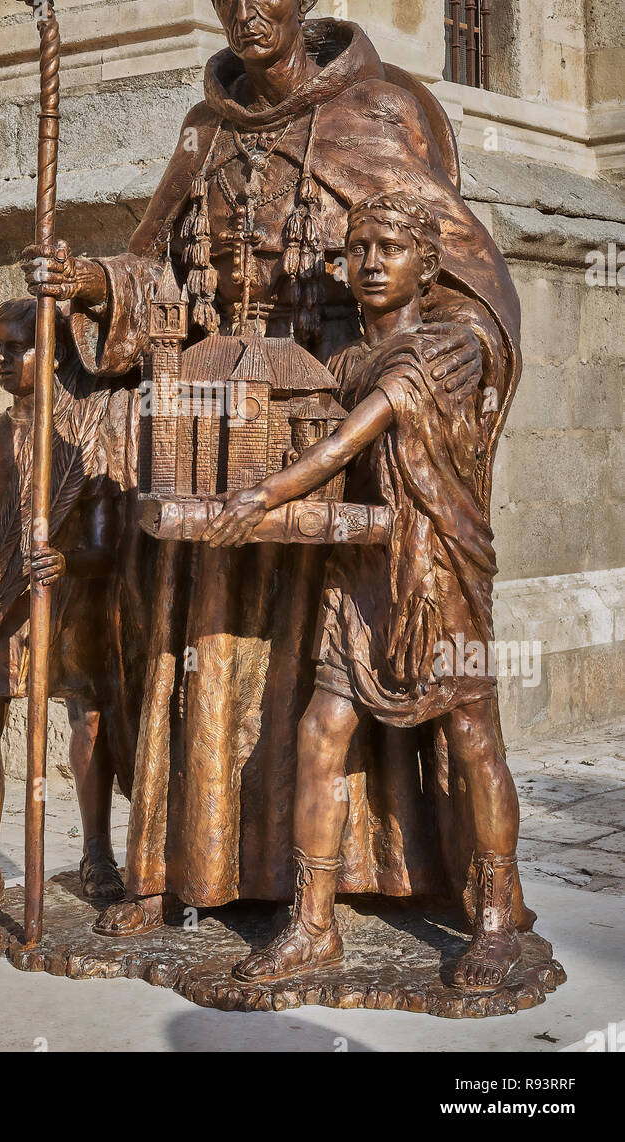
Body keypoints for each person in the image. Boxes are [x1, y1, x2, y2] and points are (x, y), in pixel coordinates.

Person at [24, 0, 524, 941]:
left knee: (324, 685)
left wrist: (441, 362)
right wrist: (89, 283)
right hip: (207, 431)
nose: (246, 16)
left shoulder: (378, 112)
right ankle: (184, 872)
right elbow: (157, 281)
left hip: (334, 431)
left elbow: (464, 281)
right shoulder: (202, 135)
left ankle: (348, 891)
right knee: (193, 649)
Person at [204, 192, 529, 990]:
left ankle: (493, 917)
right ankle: (313, 925)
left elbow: (358, 435)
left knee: (472, 735)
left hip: (439, 574)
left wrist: (265, 495)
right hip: (365, 580)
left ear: (428, 264)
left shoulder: (444, 348)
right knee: (321, 730)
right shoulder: (345, 363)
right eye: (359, 248)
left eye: (390, 247)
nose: (373, 262)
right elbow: (315, 423)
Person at [0, 297, 143, 919]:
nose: (1, 358)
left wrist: (69, 562)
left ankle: (97, 853)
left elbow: (108, 544)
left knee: (88, 720)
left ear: (49, 354)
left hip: (69, 603)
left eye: (15, 347)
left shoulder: (83, 441)